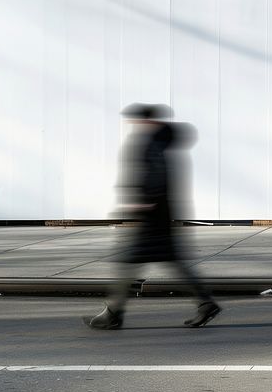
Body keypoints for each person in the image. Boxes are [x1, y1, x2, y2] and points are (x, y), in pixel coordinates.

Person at [84, 104, 221, 330]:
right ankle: (206, 303)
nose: (135, 125)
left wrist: (144, 201)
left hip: (152, 215)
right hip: (159, 214)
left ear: (148, 121)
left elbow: (155, 174)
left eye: (137, 121)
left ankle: (112, 313)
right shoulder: (158, 141)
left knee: (129, 261)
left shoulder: (153, 142)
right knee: (170, 261)